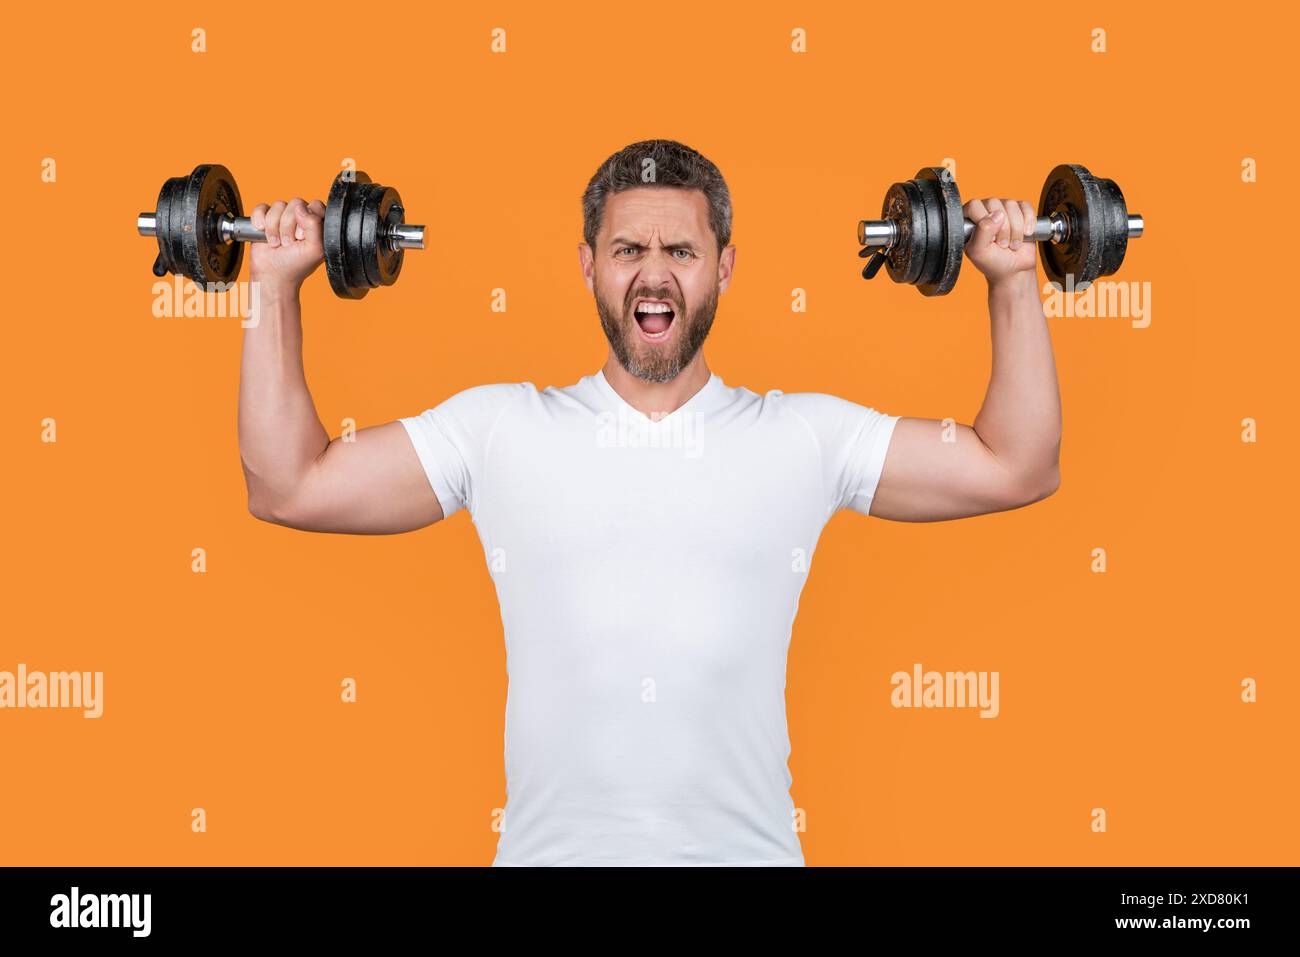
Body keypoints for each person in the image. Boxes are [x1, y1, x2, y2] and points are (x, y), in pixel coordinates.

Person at [238, 139, 1059, 866]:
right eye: (627, 248)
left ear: (724, 267)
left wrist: (1015, 278)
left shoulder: (804, 438)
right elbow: (289, 484)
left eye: (681, 250)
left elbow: (1016, 464)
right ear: (588, 264)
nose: (654, 272)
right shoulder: (498, 429)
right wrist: (274, 282)